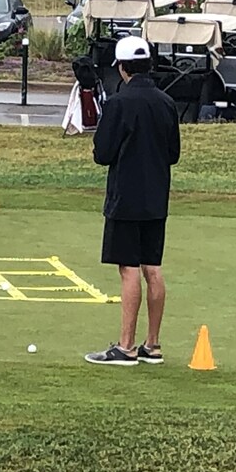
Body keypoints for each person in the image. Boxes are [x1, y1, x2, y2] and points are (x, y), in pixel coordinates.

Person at [85, 36, 181, 367]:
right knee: (152, 267)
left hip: (126, 196)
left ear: (122, 68)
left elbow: (103, 154)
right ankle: (151, 345)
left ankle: (125, 347)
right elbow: (173, 154)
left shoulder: (118, 103)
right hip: (156, 197)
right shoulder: (166, 102)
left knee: (129, 269)